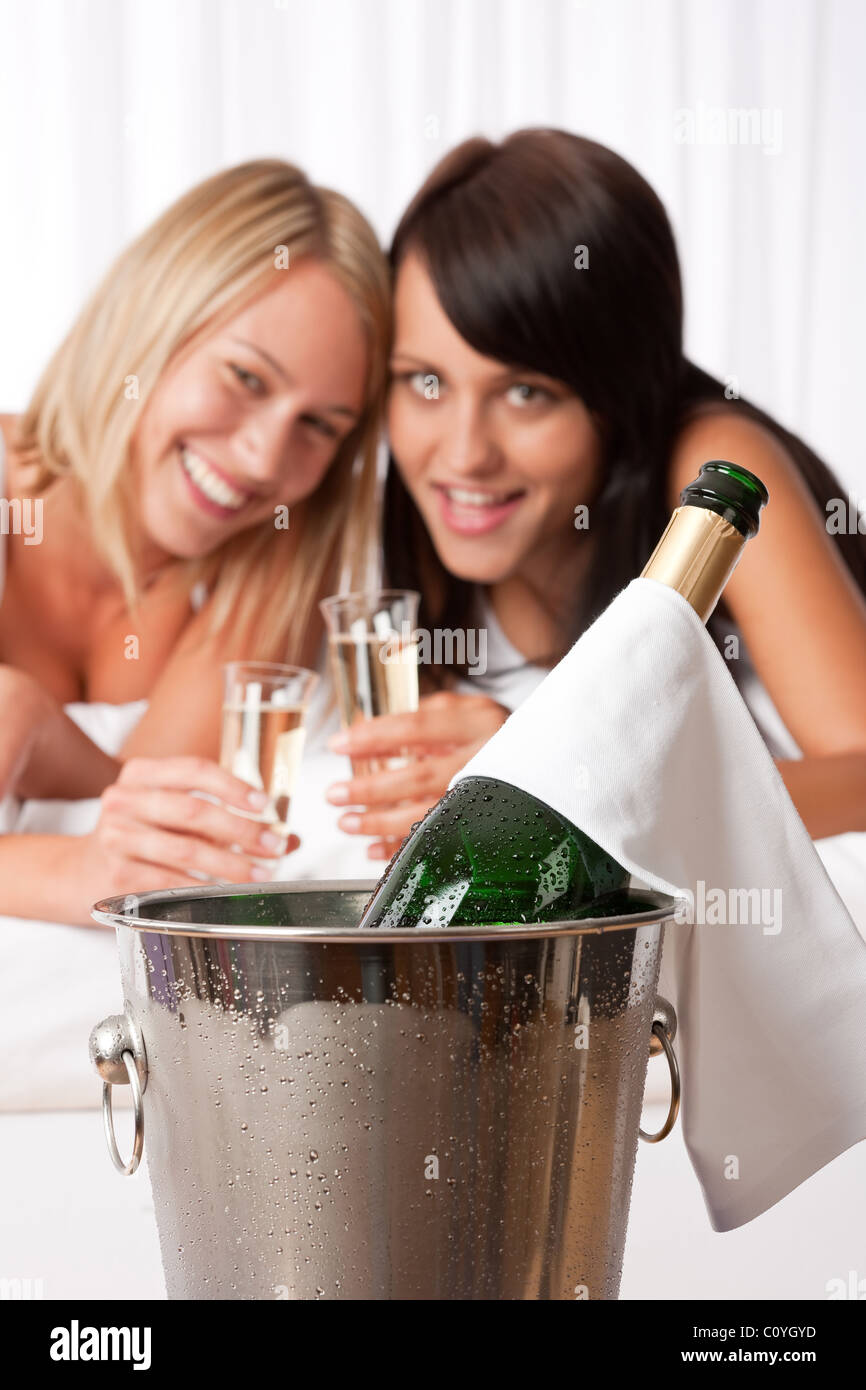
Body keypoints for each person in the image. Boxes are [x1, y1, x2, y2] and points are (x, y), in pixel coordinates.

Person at [321, 130, 866, 920]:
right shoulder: (403, 511)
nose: (464, 454)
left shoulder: (711, 474)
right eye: (427, 381)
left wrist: (555, 773)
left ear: (618, 393)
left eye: (527, 393)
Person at [0, 158, 390, 925]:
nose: (262, 460)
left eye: (318, 426)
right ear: (153, 321)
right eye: (246, 378)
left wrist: (38, 729)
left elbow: (149, 833)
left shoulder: (272, 557)